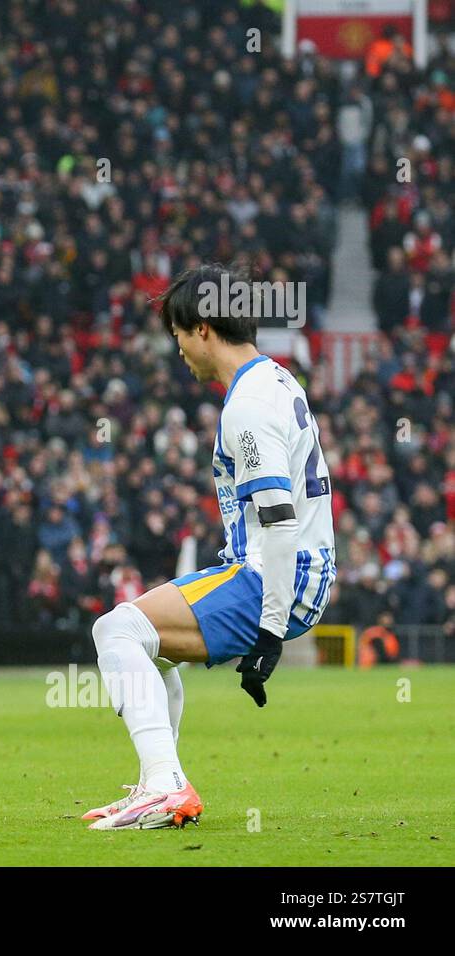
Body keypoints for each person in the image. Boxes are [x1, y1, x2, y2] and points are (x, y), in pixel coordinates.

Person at [84, 265, 336, 830]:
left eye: (177, 337)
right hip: (287, 571)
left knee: (115, 630)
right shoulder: (277, 379)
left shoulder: (248, 404)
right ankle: (162, 782)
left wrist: (270, 631)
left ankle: (164, 784)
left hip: (274, 574)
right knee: (150, 644)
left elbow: (277, 517)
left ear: (201, 329)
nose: (179, 353)